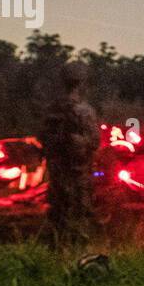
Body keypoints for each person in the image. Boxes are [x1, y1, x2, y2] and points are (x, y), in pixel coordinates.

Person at [39, 61, 99, 245]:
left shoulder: (51, 109)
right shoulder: (84, 110)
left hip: (56, 171)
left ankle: (56, 247)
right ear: (82, 83)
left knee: (58, 211)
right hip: (77, 172)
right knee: (80, 212)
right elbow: (94, 141)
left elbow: (42, 137)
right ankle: (76, 250)